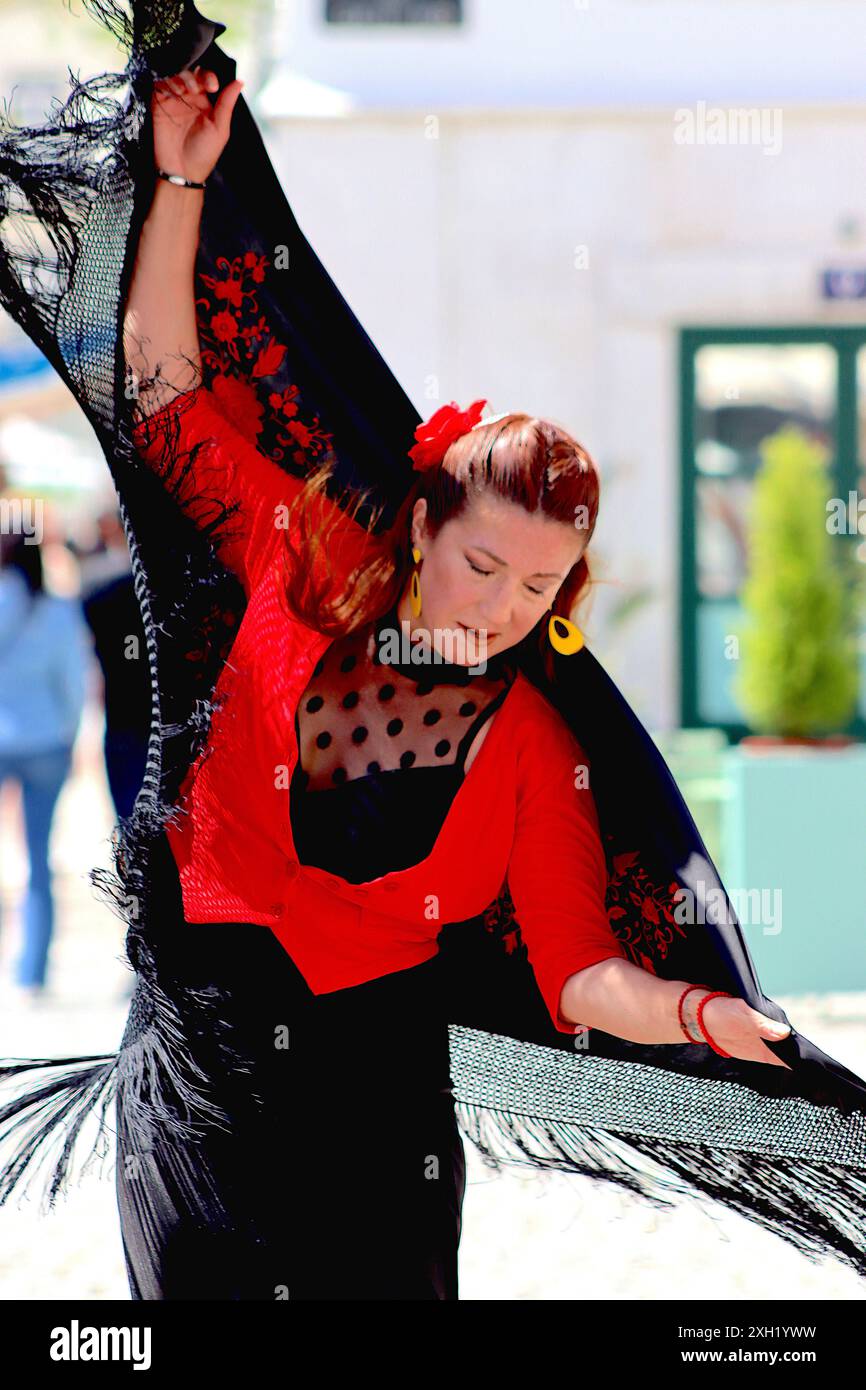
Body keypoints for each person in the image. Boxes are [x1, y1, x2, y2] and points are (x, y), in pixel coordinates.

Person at [110, 66, 794, 1301]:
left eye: (537, 589)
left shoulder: (535, 745)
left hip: (381, 1146)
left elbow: (581, 975)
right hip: (198, 1092)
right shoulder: (299, 558)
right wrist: (180, 182)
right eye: (480, 563)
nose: (498, 608)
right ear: (421, 525)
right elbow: (162, 399)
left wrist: (701, 1018)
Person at [0, 532, 90, 999]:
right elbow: (74, 685)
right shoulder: (58, 611)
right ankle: (31, 972)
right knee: (39, 857)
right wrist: (70, 737)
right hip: (45, 742)